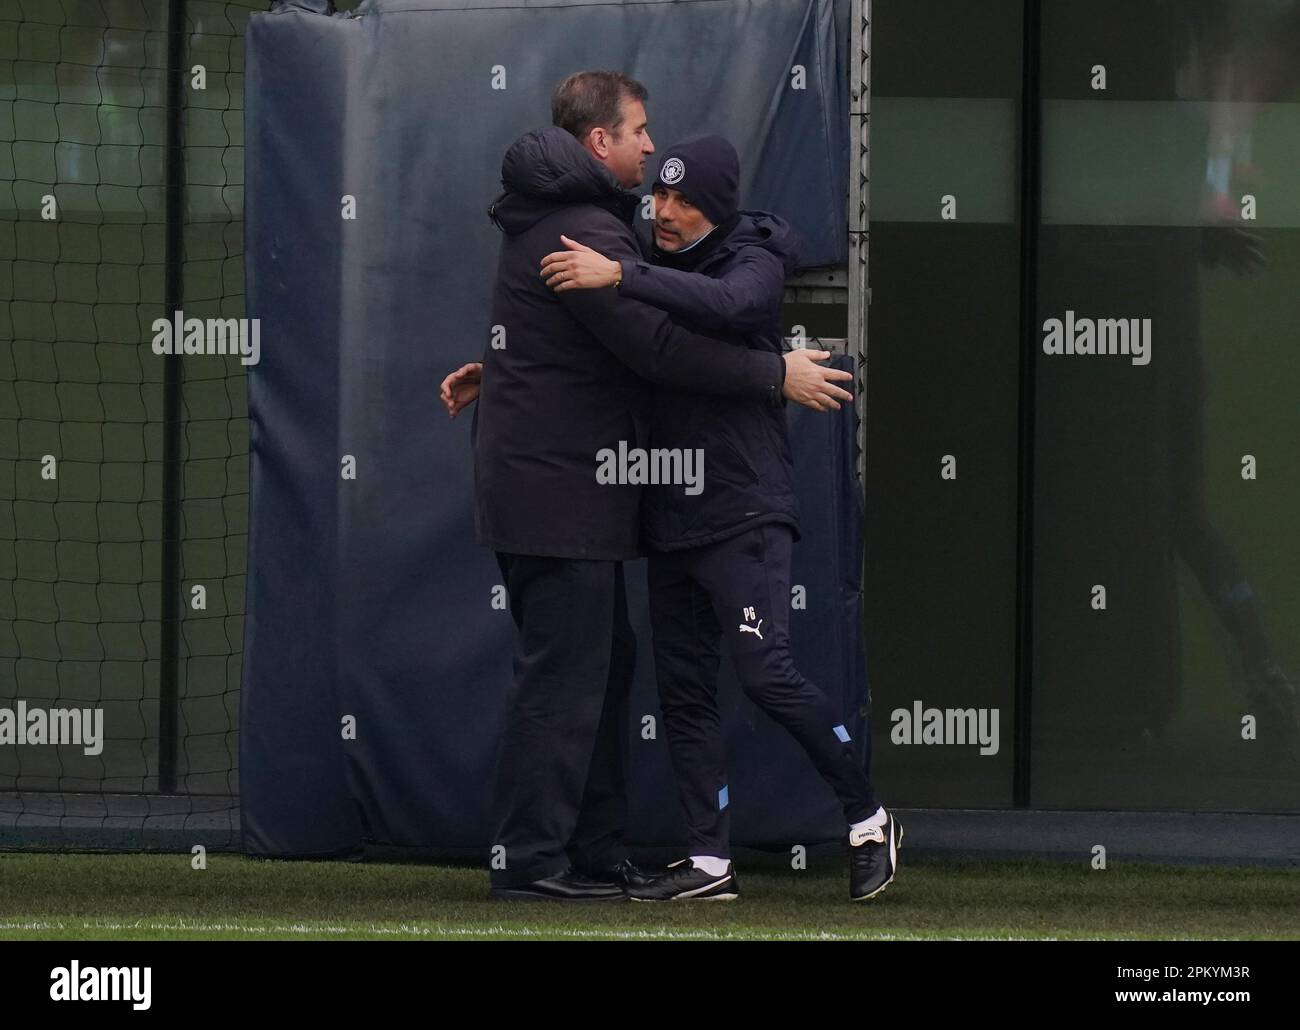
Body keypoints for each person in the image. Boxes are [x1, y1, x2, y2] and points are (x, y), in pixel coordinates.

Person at [446, 72, 855, 902]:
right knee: (564, 678)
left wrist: (505, 371)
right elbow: (657, 350)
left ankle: (592, 853)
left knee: (600, 669)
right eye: (639, 133)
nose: (649, 149)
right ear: (600, 142)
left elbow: (575, 342)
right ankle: (532, 865)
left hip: (560, 494)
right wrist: (774, 372)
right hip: (557, 500)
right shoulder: (585, 231)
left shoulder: (567, 221)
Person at [537, 134, 901, 902]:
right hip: (669, 512)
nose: (663, 212)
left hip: (744, 507)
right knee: (684, 694)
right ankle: (710, 863)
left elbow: (734, 305)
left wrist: (624, 273)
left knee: (765, 671)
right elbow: (616, 348)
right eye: (659, 196)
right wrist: (499, 379)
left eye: (684, 201)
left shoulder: (753, 255)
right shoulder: (647, 255)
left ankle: (868, 817)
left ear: (719, 208)